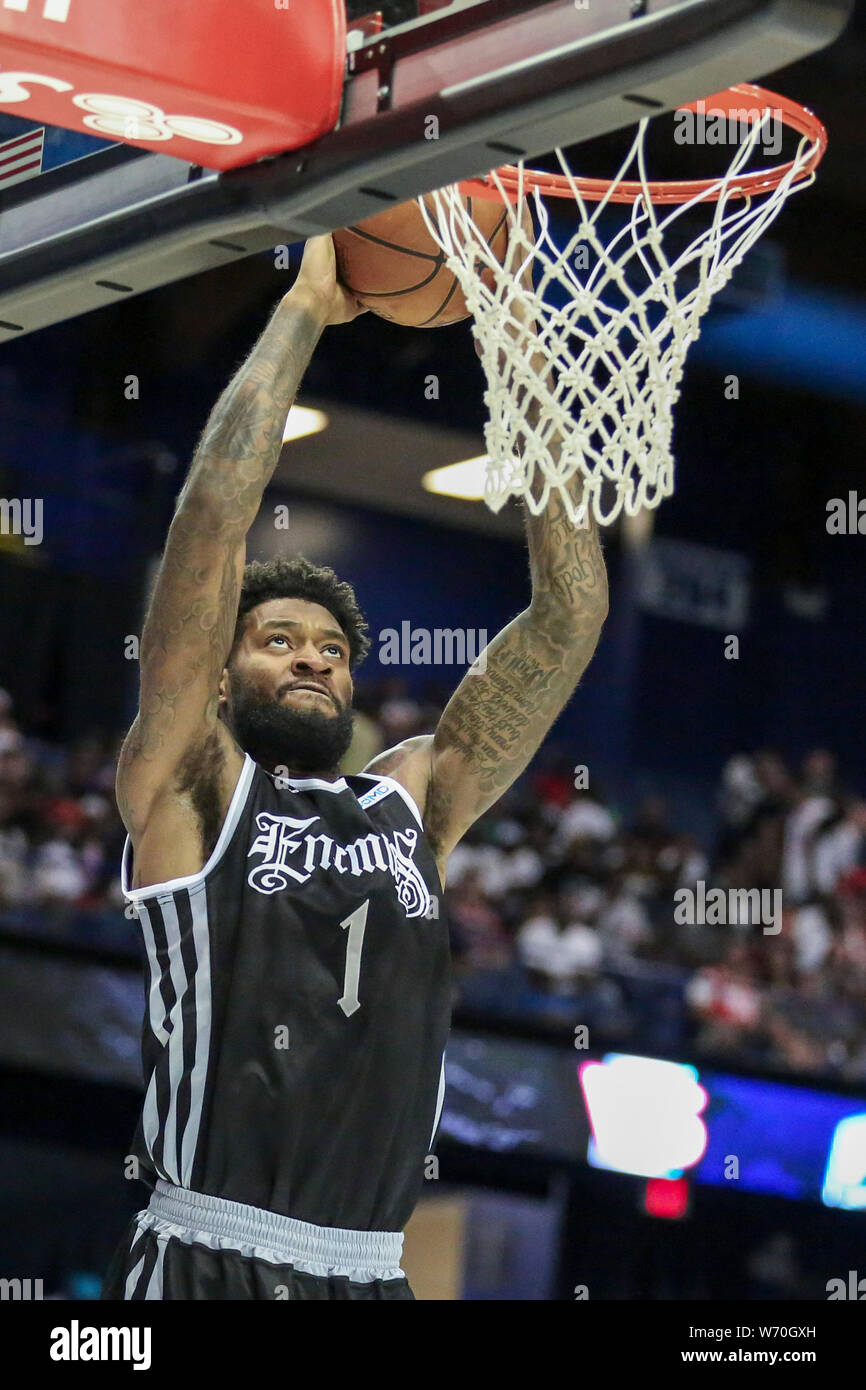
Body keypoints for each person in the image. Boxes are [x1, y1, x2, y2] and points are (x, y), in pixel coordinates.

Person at [100, 233, 608, 1300]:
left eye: (331, 650)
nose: (313, 659)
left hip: (371, 1274)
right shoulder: (190, 783)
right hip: (207, 1253)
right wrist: (305, 309)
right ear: (222, 678)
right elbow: (209, 522)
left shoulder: (410, 800)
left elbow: (569, 617)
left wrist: (515, 339)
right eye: (277, 638)